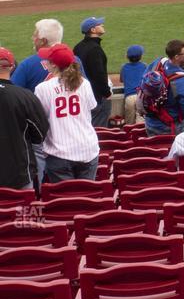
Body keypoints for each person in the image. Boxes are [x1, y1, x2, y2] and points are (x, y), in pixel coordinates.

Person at [34, 43, 99, 182]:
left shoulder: (42, 88)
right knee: (87, 200)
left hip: (59, 153)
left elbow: (39, 120)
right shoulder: (84, 83)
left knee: (65, 201)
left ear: (54, 65)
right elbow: (92, 108)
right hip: (88, 149)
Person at [0, 47, 49, 191]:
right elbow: (40, 134)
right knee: (22, 212)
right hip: (18, 174)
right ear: (13, 67)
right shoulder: (25, 96)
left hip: (20, 172)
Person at [141, 40, 184, 136]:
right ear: (177, 57)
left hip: (150, 121)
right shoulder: (182, 79)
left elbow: (143, 80)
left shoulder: (157, 62)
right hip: (170, 126)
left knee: (152, 150)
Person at [73, 16, 111, 128]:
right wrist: (107, 93)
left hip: (82, 94)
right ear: (93, 30)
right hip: (97, 97)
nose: (102, 25)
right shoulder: (95, 49)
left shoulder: (78, 47)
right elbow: (99, 75)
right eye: (99, 24)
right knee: (99, 130)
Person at [12, 19, 66, 92]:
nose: (32, 38)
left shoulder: (28, 64)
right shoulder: (75, 60)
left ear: (43, 41)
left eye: (35, 36)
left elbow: (12, 93)